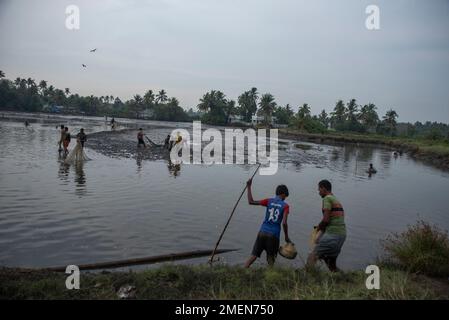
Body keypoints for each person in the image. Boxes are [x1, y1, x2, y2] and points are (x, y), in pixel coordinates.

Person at [244, 179, 291, 268]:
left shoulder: (269, 201)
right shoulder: (285, 206)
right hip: (273, 236)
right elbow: (284, 223)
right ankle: (270, 277)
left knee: (253, 256)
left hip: (262, 232)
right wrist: (286, 237)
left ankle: (243, 270)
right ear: (283, 194)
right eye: (285, 196)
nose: (285, 198)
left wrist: (249, 187)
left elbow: (251, 201)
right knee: (271, 261)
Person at [306, 180, 346, 272]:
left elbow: (326, 220)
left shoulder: (327, 199)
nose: (318, 192)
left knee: (312, 256)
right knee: (331, 264)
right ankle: (343, 278)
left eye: (319, 189)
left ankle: (308, 279)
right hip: (341, 235)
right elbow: (333, 219)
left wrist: (318, 228)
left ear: (324, 188)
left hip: (333, 234)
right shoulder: (335, 199)